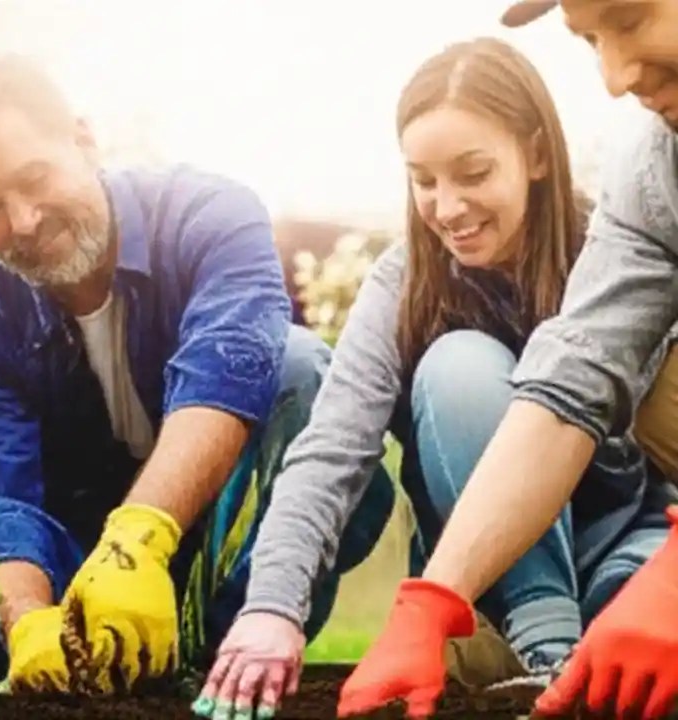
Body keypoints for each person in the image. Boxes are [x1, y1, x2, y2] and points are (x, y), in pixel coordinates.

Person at [191, 35, 678, 720]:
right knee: (462, 365)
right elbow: (330, 452)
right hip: (489, 579)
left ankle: (587, 634)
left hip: (624, 545)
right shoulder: (405, 284)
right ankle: (543, 650)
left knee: (631, 620)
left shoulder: (622, 257)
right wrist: (272, 608)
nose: (447, 207)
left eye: (472, 173)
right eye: (424, 180)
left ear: (537, 154)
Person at [0, 52, 396, 696]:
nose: (22, 220)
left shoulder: (211, 215)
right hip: (86, 573)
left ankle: (229, 659)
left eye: (34, 178)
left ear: (83, 139)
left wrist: (139, 538)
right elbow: (0, 501)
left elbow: (228, 366)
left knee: (297, 365)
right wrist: (27, 621)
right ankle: (115, 665)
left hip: (230, 539)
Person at [337, 2, 678, 718]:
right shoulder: (654, 169)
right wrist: (430, 601)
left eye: (632, 17)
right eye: (589, 41)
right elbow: (572, 380)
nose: (614, 78)